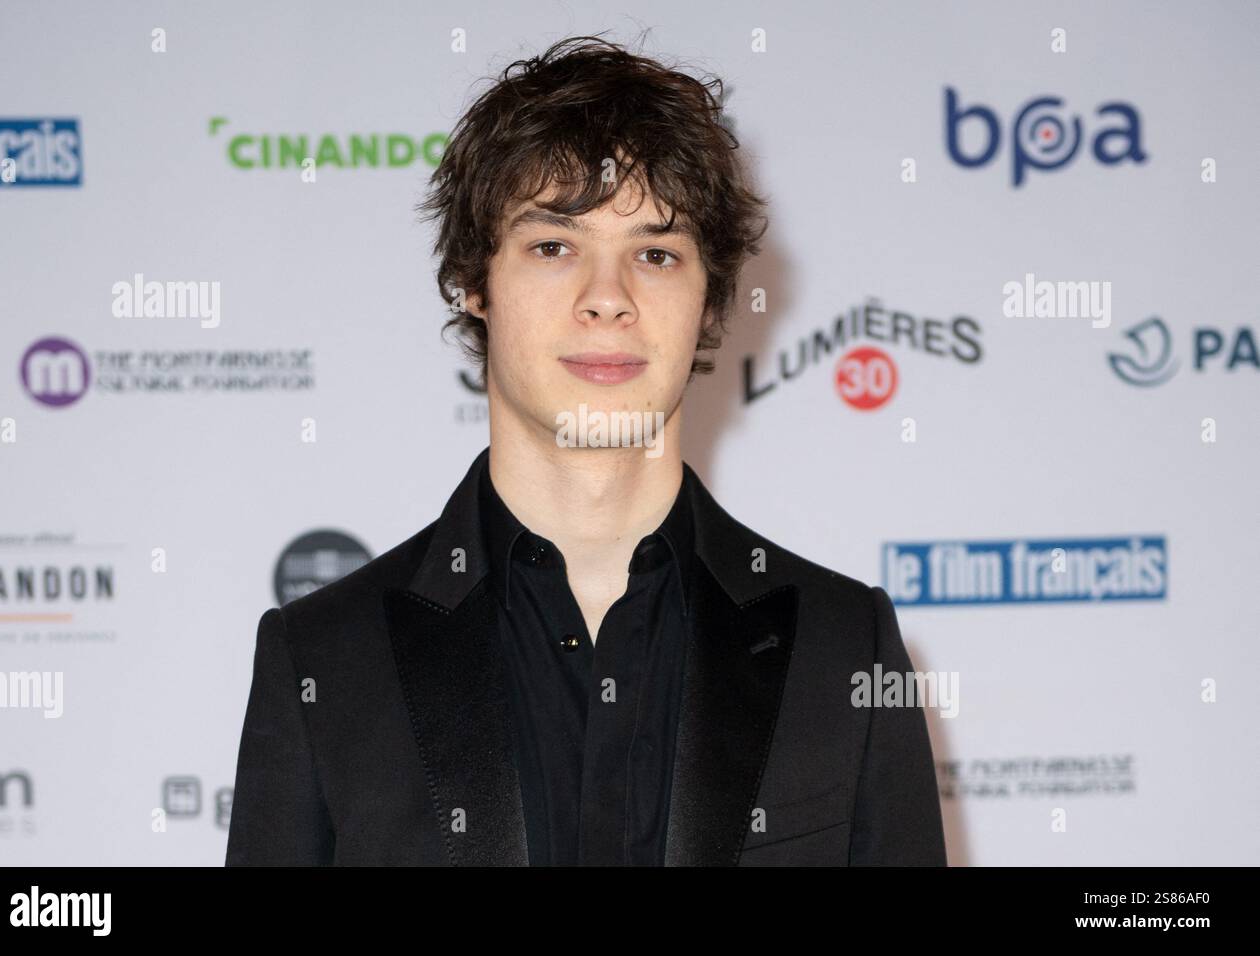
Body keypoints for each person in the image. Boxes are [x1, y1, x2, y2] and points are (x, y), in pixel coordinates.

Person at [225, 34, 945, 866]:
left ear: (710, 299)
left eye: (655, 253)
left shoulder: (844, 645)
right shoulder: (323, 658)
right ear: (473, 280)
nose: (608, 298)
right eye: (554, 246)